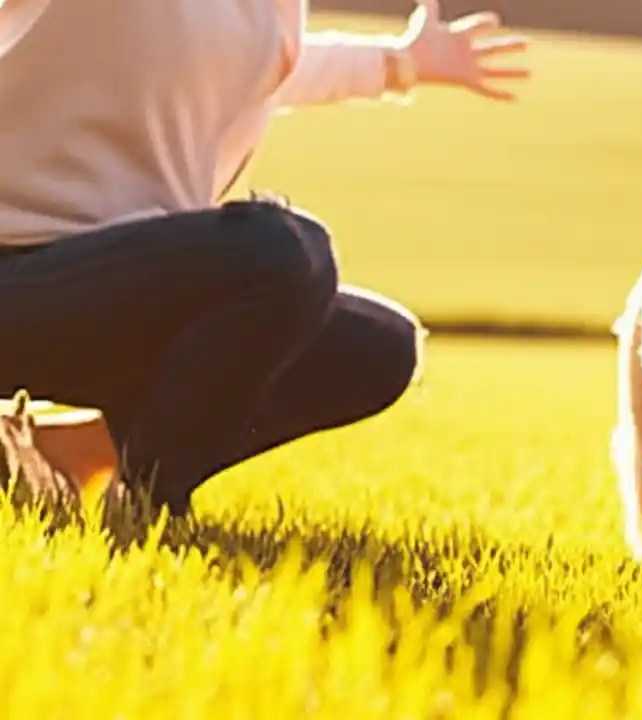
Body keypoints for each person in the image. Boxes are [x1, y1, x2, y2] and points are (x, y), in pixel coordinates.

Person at [0, 0, 529, 516]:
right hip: (17, 288)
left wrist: (400, 64)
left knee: (376, 348)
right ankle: (150, 504)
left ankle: (59, 454)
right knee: (279, 254)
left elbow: (245, 66)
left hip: (124, 293)